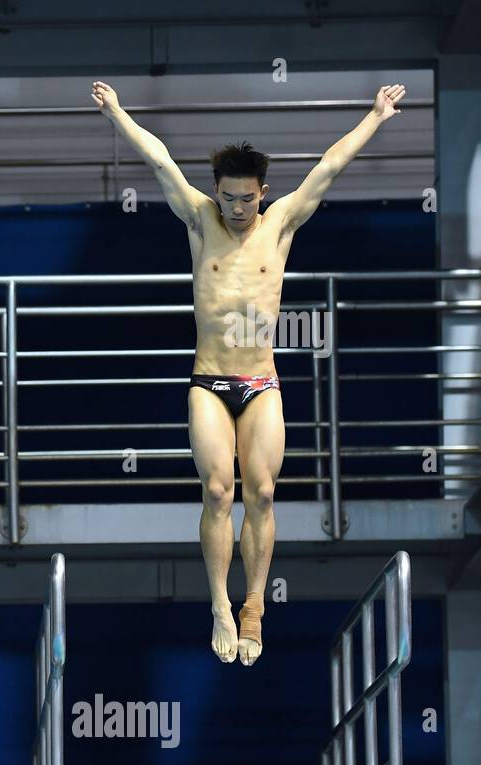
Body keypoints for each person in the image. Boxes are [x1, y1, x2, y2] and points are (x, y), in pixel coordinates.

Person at [91, 81, 406, 665]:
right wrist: (116, 112)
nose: (237, 209)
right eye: (228, 198)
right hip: (209, 382)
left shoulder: (280, 224)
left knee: (260, 492)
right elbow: (157, 158)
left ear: (264, 193)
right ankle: (218, 603)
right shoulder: (198, 218)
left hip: (261, 384)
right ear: (217, 193)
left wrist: (376, 115)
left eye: (247, 199)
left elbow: (331, 165)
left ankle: (254, 606)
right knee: (217, 491)